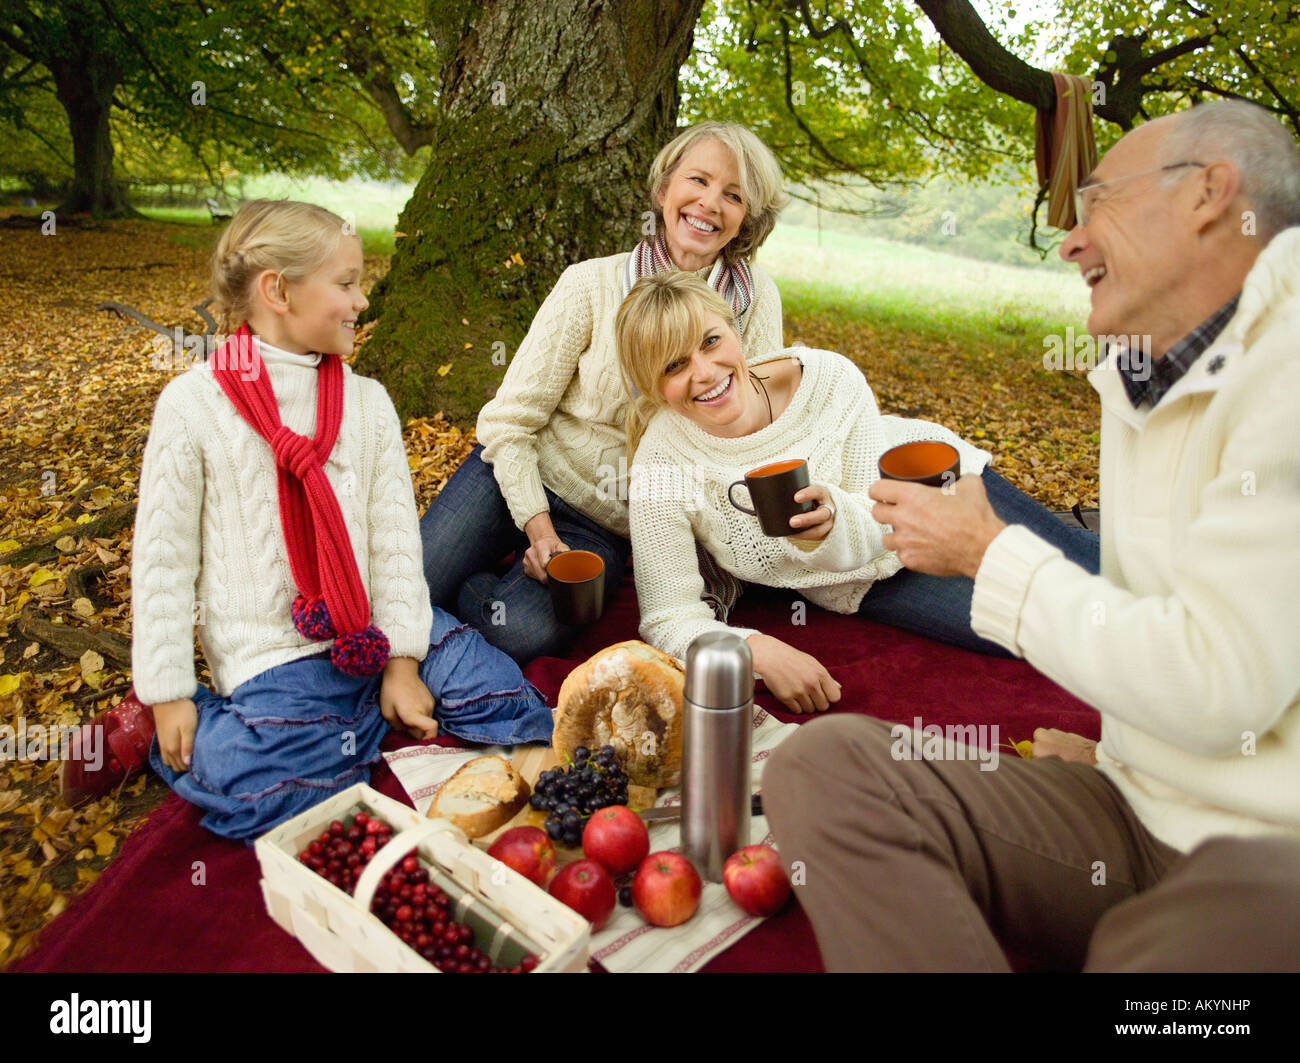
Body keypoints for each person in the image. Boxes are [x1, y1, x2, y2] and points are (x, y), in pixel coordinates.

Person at [763, 100, 1300, 970]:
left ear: (1210, 194)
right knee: (822, 770)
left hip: (1270, 859)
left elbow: (1225, 686)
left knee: (1168, 950)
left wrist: (987, 553)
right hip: (1127, 815)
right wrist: (1123, 748)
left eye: (1098, 204)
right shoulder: (1145, 367)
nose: (1071, 241)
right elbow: (1156, 614)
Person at [124, 200, 551, 840]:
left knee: (503, 699)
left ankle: (361, 724)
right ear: (278, 290)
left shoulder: (367, 403)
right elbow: (163, 561)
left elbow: (397, 547)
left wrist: (404, 663)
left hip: (377, 629)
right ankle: (178, 725)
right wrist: (167, 692)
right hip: (275, 659)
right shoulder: (193, 406)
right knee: (274, 796)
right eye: (346, 284)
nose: (361, 301)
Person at [616, 272, 1100, 715]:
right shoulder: (662, 462)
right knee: (1047, 626)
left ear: (733, 329)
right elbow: (668, 617)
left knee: (1095, 570)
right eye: (675, 365)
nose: (704, 372)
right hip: (869, 578)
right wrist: (753, 649)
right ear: (652, 386)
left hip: (928, 485)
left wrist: (835, 518)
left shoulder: (828, 379)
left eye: (711, 341)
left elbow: (881, 516)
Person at [419, 122, 789, 663]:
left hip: (609, 521)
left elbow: (750, 433)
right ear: (664, 190)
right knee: (403, 588)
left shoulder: (754, 304)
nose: (711, 203)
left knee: (520, 633)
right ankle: (471, 570)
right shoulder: (589, 284)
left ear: (746, 219)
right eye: (698, 180)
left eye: (734, 195)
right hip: (522, 472)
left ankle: (471, 587)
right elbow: (509, 422)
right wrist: (537, 527)